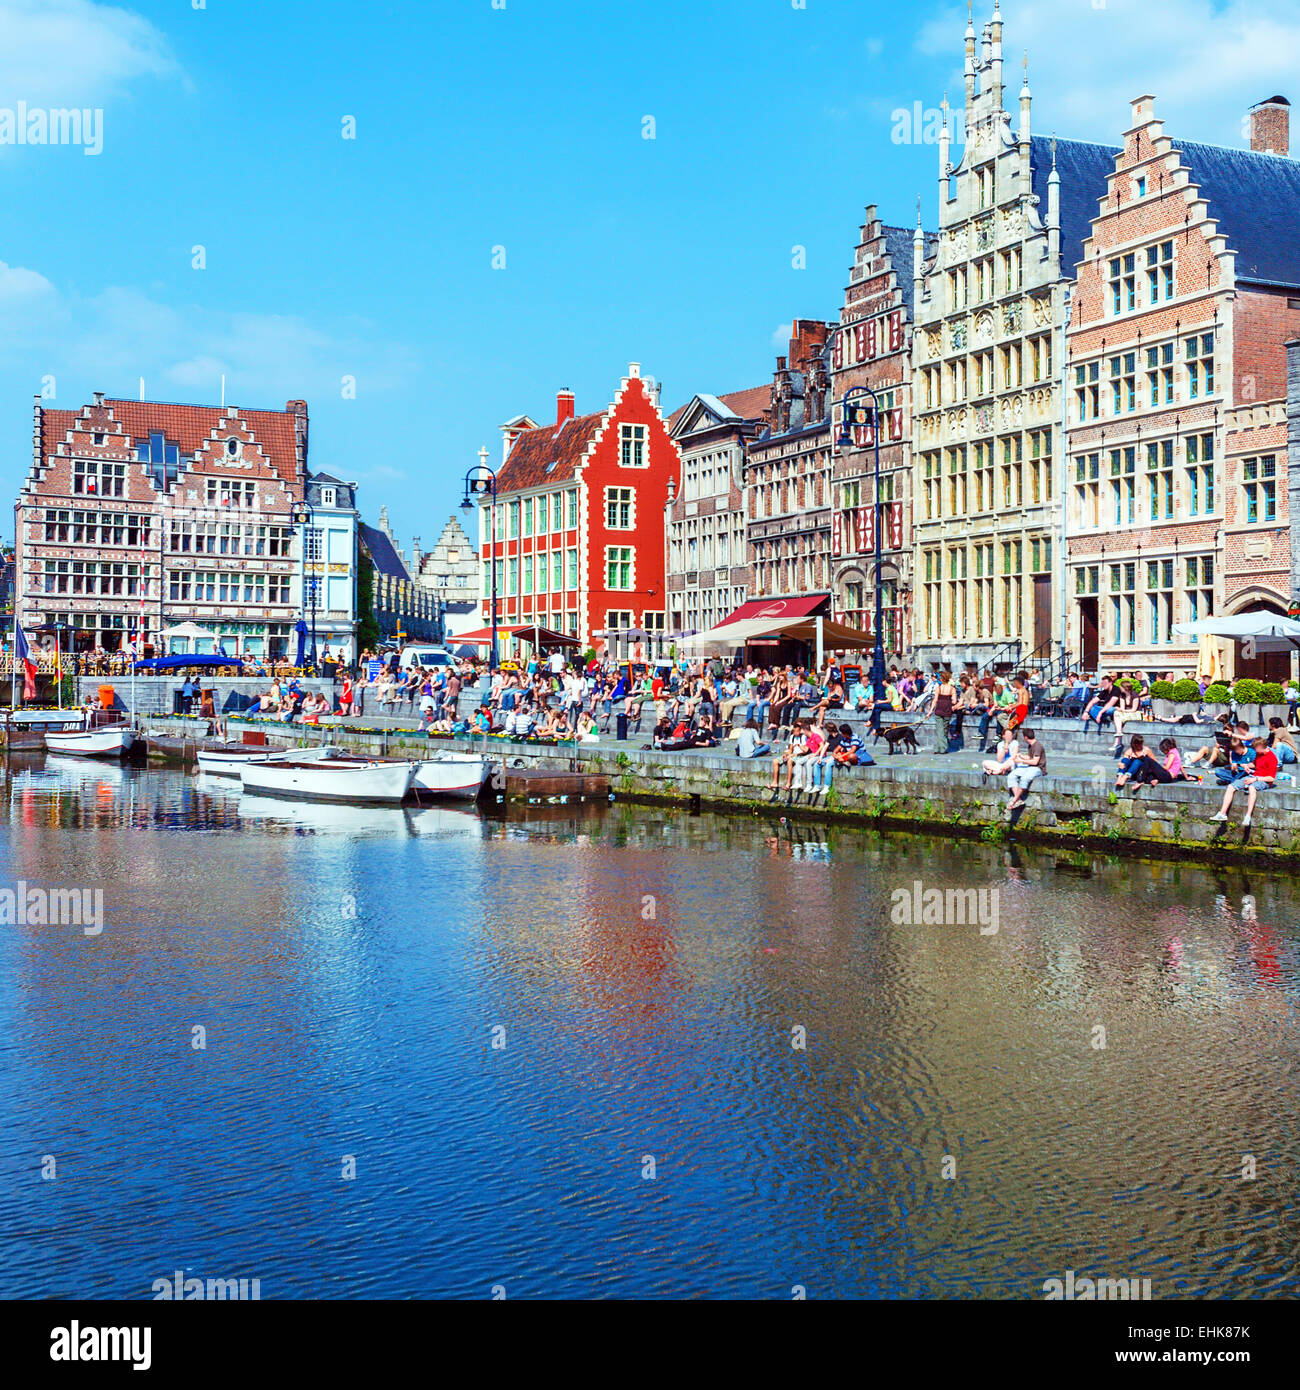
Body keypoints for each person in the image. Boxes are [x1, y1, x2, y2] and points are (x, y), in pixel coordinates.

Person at [1211, 738, 1277, 828]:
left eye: (1256, 748)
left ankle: (1248, 816)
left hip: (1263, 780)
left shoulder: (1272, 758)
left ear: (1261, 747)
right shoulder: (1259, 753)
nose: (1255, 750)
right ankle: (1222, 813)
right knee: (1231, 786)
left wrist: (1255, 779)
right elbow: (1255, 764)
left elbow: (1271, 778)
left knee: (1252, 788)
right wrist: (1246, 765)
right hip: (1253, 776)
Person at [1004, 727, 1046, 816]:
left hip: (1038, 768)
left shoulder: (1037, 746)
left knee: (1025, 778)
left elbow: (1035, 762)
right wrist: (1021, 756)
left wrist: (1021, 761)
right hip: (1030, 767)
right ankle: (1018, 800)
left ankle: (1015, 799)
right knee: (1012, 775)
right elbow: (1031, 758)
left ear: (1026, 737)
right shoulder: (1031, 745)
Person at [931, 669, 957, 754]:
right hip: (947, 710)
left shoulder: (939, 688)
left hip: (939, 710)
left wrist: (930, 711)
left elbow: (934, 700)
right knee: (944, 730)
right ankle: (942, 749)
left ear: (941, 679)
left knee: (940, 730)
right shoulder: (952, 689)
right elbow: (954, 701)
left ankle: (938, 748)